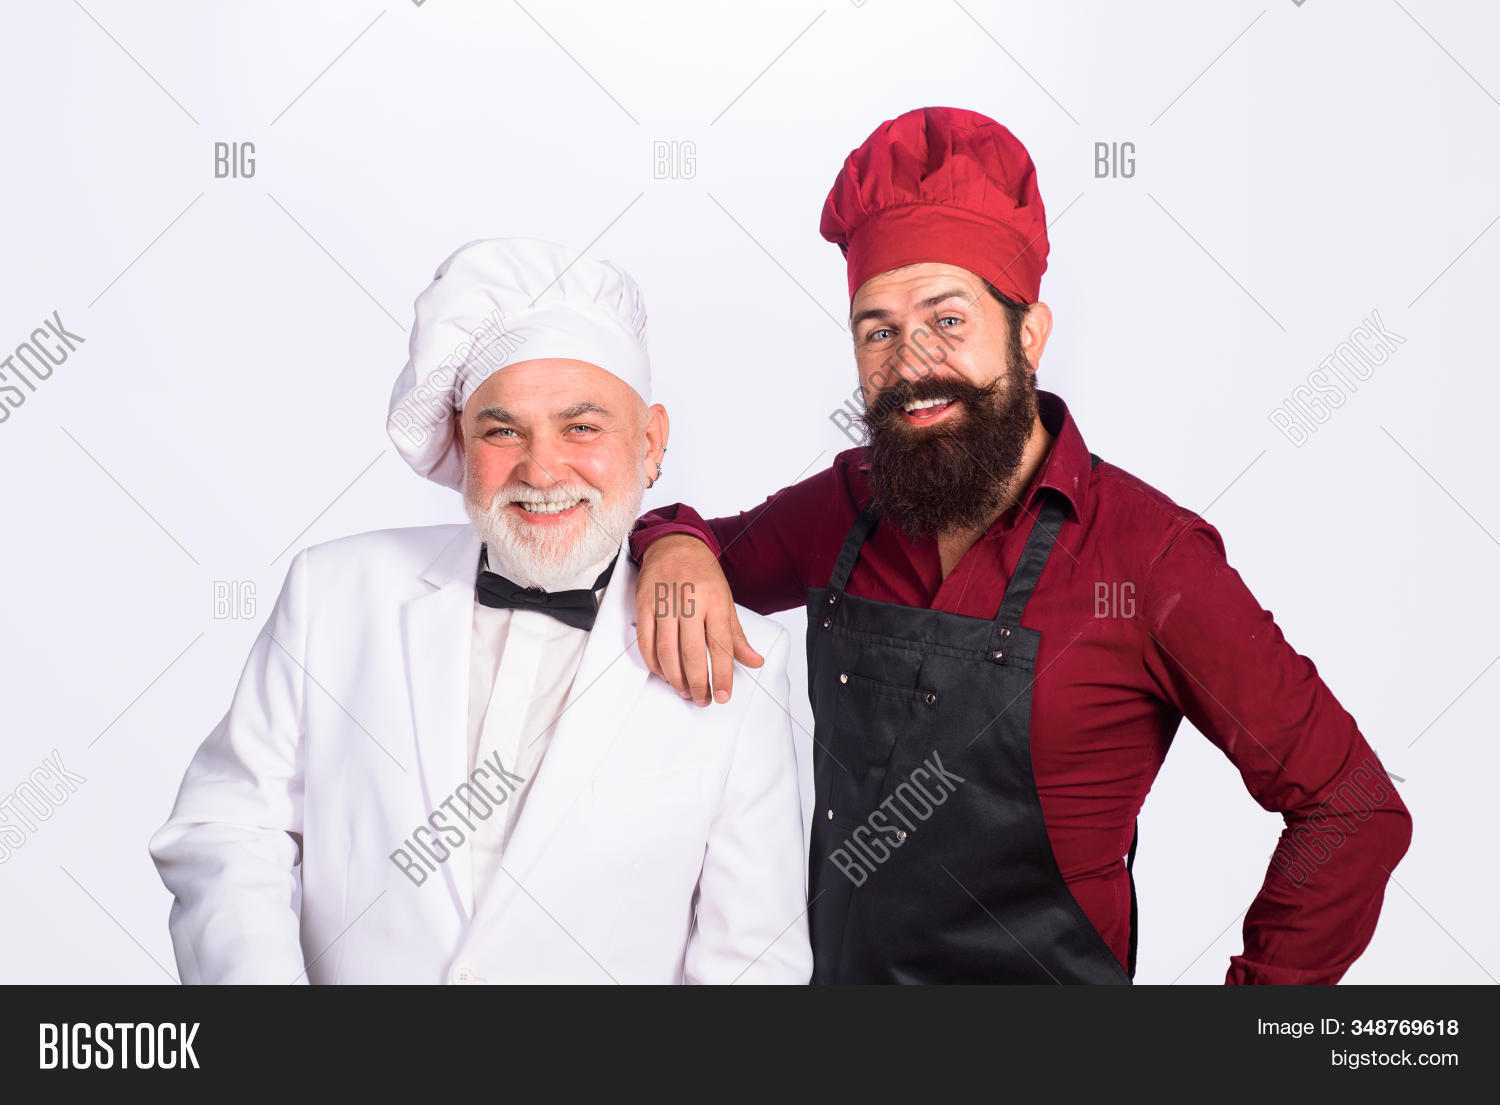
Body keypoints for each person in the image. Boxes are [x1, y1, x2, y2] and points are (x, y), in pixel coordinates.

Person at [630, 107, 1412, 984]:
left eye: (948, 320)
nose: (911, 362)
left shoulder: (1149, 560)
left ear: (1029, 334)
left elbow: (1352, 808)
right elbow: (692, 554)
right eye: (877, 330)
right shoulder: (848, 505)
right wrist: (673, 543)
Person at [150, 238, 811, 984]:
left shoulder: (740, 660)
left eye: (582, 427)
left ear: (651, 442)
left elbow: (754, 961)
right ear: (463, 444)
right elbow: (228, 828)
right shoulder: (332, 595)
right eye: (503, 429)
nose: (541, 468)